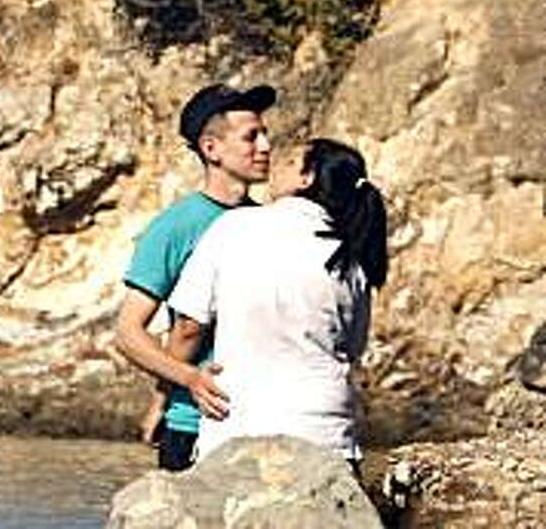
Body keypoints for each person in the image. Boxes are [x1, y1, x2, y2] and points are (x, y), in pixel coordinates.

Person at [165, 137, 389, 464]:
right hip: (325, 433)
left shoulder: (233, 227)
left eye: (288, 162)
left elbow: (188, 327)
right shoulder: (351, 256)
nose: (273, 165)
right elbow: (352, 347)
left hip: (239, 428)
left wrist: (174, 380)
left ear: (306, 179)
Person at [112, 82, 275, 472]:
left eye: (266, 135)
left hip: (263, 425)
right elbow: (128, 334)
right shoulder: (175, 227)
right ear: (211, 149)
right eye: (251, 136)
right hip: (193, 426)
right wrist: (187, 382)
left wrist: (159, 397)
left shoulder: (269, 223)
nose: (266, 147)